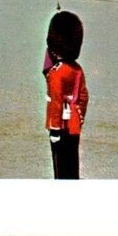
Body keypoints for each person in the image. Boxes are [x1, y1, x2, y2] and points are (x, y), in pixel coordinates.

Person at [44, 11, 88, 179]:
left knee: (60, 166)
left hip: (60, 125)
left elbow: (55, 102)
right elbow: (83, 97)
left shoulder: (56, 73)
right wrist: (79, 118)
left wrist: (54, 129)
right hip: (74, 123)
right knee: (72, 163)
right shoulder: (77, 69)